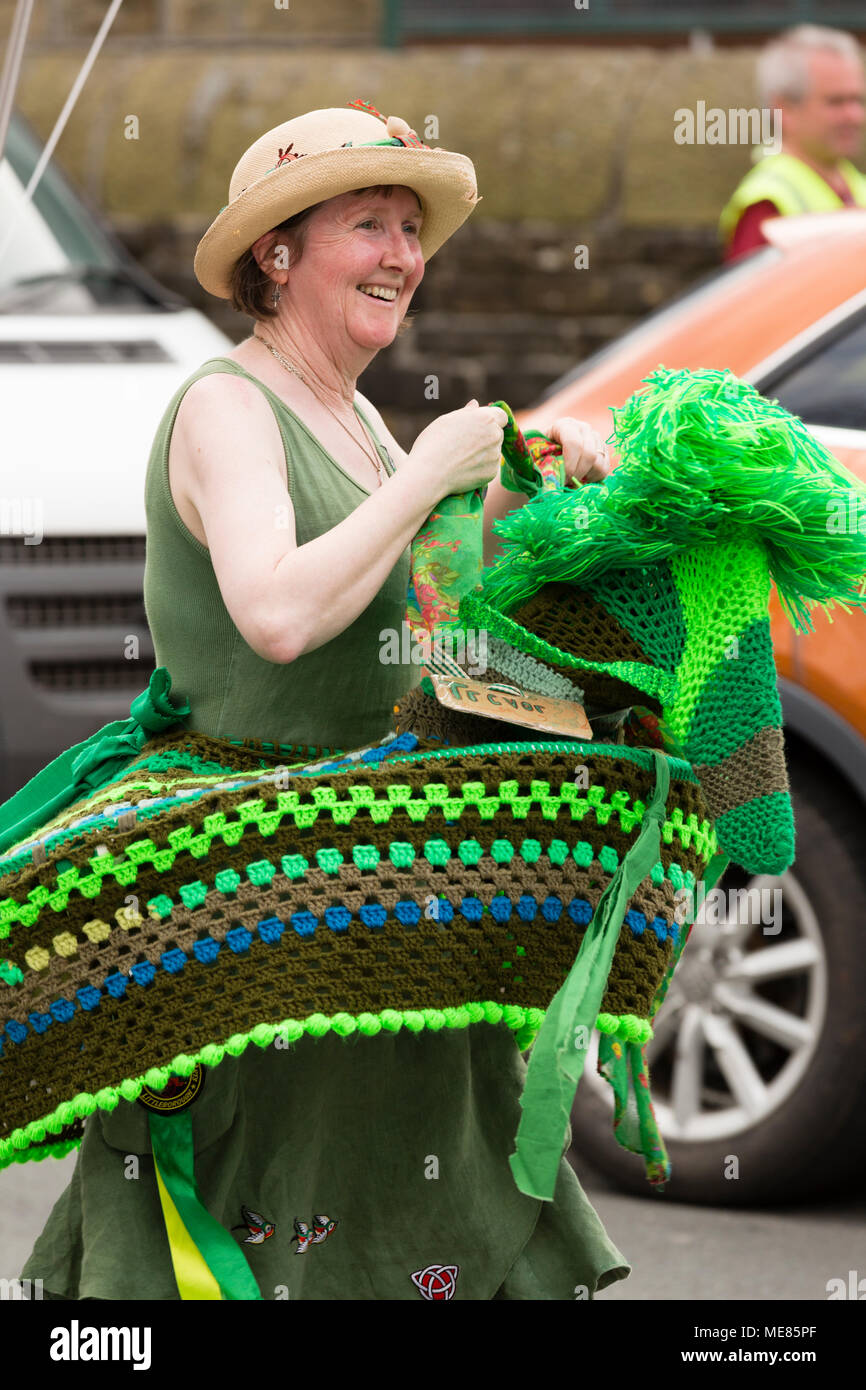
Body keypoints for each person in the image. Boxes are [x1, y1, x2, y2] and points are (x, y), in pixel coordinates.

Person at [18, 100, 627, 1301]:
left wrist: (530, 496)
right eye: (367, 223)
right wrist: (434, 472)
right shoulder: (224, 404)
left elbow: (416, 624)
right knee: (255, 1223)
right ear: (277, 255)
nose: (402, 253)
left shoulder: (352, 416)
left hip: (369, 882)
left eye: (410, 227)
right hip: (255, 897)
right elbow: (280, 615)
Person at [720, 24, 866, 261]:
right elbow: (757, 297)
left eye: (857, 100)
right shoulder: (767, 204)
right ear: (784, 109)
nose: (855, 115)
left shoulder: (857, 186)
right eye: (836, 102)